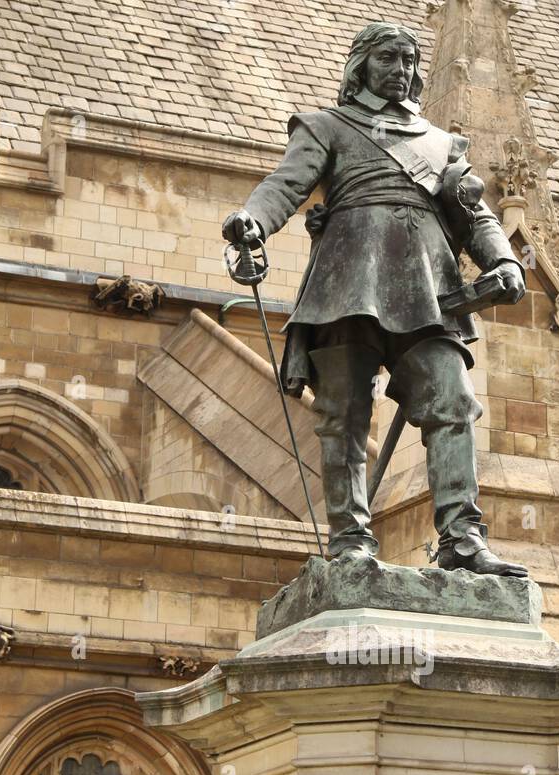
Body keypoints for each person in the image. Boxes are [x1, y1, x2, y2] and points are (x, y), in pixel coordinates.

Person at [223, 21, 528, 577]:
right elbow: (284, 187)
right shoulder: (325, 127)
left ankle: (461, 538)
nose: (402, 70)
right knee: (343, 414)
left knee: (453, 402)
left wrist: (503, 259)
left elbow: (475, 215)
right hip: (346, 283)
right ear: (361, 64)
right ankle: (350, 542)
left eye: (410, 61)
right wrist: (252, 222)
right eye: (389, 58)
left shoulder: (441, 145)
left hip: (428, 288)